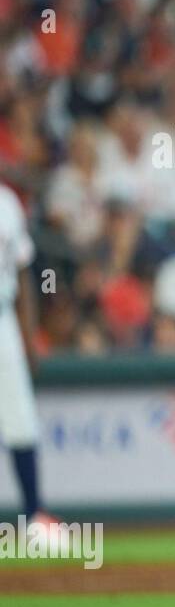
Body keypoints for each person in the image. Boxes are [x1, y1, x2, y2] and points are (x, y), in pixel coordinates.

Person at [0, 182, 55, 528]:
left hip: (3, 318)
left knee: (20, 418)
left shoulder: (6, 202)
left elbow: (23, 273)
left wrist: (28, 336)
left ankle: (35, 516)